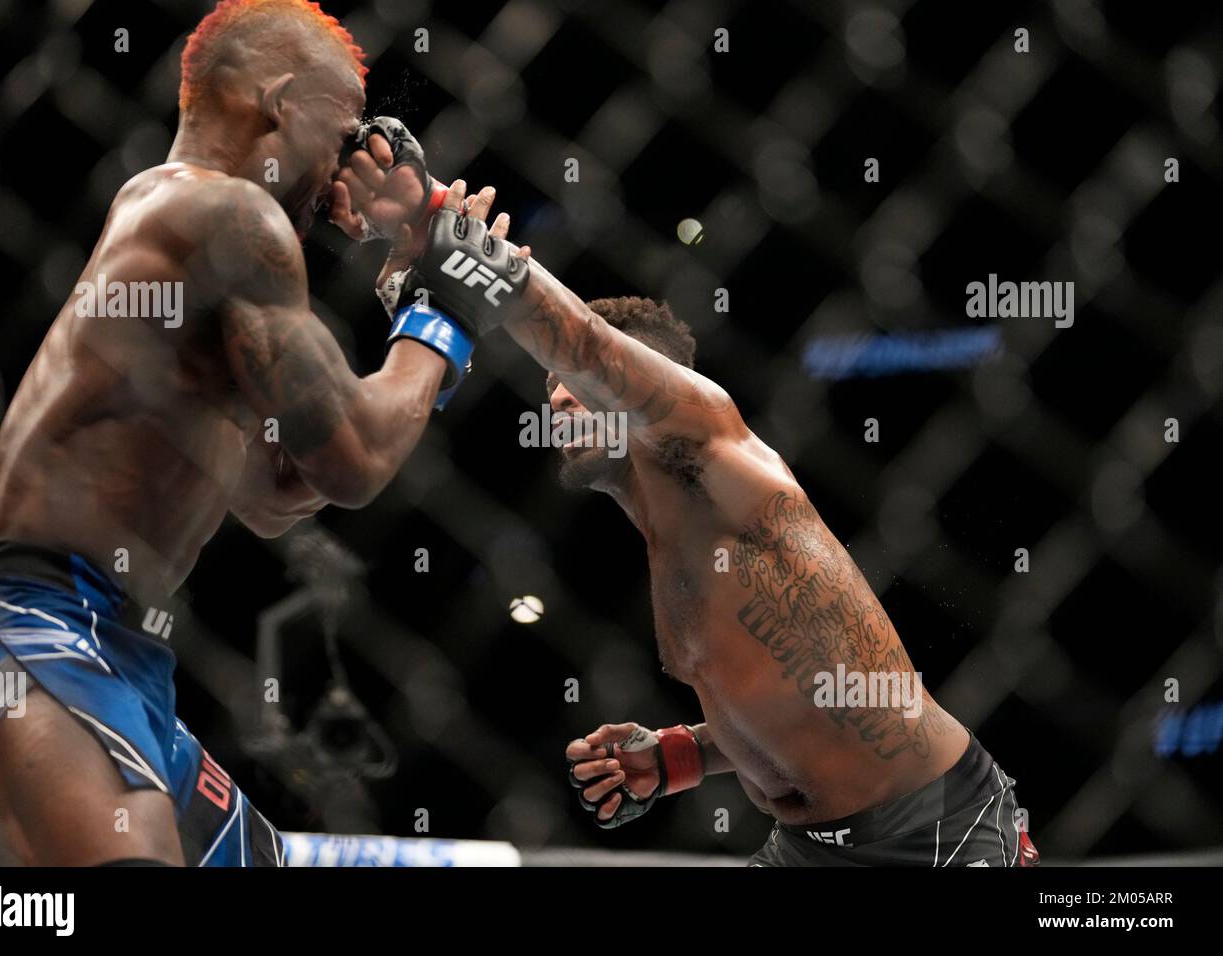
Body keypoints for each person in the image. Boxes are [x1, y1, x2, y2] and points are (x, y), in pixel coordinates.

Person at [0, 0, 503, 866]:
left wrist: (411, 303)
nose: (342, 174)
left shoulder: (185, 233)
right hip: (40, 634)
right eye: (342, 135)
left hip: (113, 653)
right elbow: (353, 461)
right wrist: (443, 314)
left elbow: (279, 492)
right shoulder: (230, 215)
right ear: (279, 101)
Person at [391, 201, 1039, 866]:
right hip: (806, 848)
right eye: (550, 389)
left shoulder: (717, 451)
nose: (556, 400)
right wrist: (677, 758)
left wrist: (440, 219)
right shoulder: (661, 536)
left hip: (933, 831)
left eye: (576, 386)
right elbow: (796, 701)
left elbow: (583, 340)